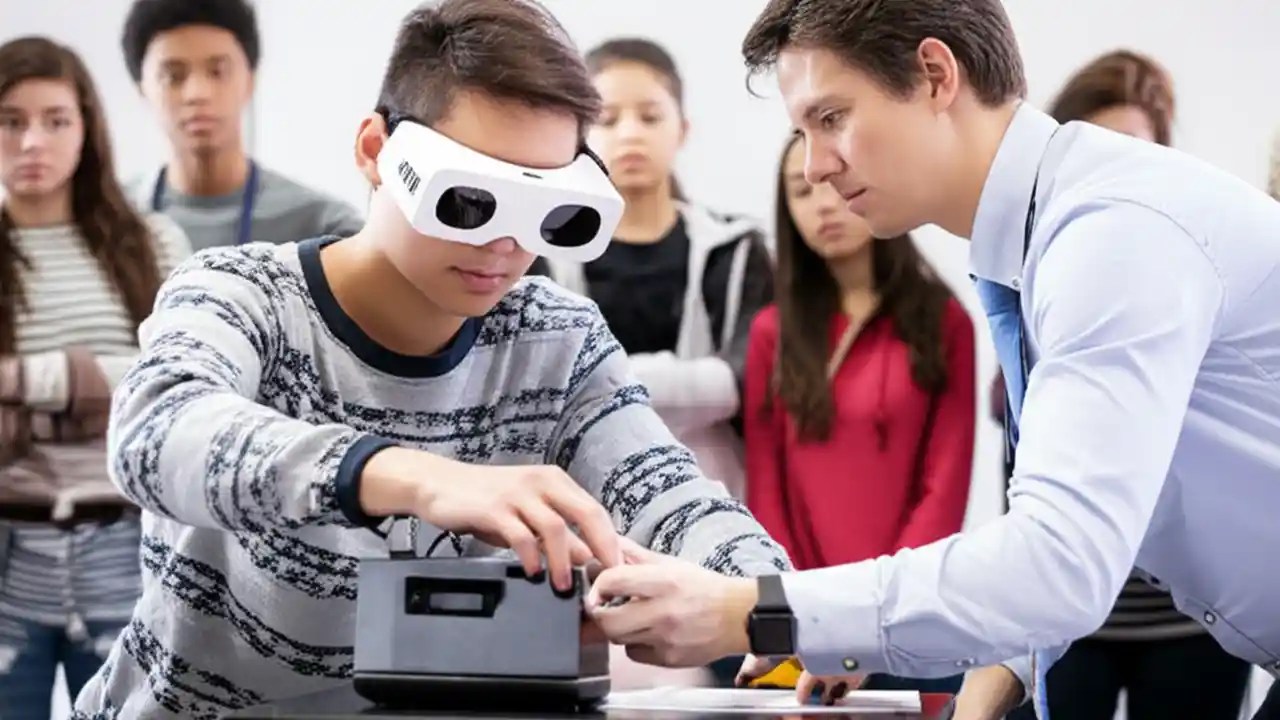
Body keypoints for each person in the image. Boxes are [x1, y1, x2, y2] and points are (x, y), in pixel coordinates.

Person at [71, 1, 789, 718]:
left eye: (543, 210)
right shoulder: (243, 294)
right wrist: (411, 477)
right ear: (375, 151)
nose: (505, 248)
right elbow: (155, 432)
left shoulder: (554, 340)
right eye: (472, 202)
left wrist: (781, 611)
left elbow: (667, 493)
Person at [583, 1, 1280, 719]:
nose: (817, 167)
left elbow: (1062, 562)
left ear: (934, 75)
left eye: (831, 119)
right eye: (804, 132)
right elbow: (1091, 521)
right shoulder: (1056, 235)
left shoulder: (1110, 236)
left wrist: (760, 610)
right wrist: (882, 645)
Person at [1002, 49, 1251, 720]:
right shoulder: (1026, 279)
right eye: (1092, 143)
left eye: (1131, 149)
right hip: (1069, 619)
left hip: (1187, 621)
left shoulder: (1195, 274)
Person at [744, 131, 976, 695]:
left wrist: (878, 615)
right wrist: (806, 609)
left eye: (830, 183)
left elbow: (944, 487)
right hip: (806, 621)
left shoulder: (944, 323)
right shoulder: (771, 333)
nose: (821, 203)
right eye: (800, 191)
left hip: (912, 615)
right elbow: (766, 491)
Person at [0, 36, 190, 720]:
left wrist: (21, 384)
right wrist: (99, 389)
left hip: (126, 545)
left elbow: (174, 385)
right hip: (8, 554)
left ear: (87, 129)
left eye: (55, 119)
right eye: (10, 119)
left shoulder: (153, 241)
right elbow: (130, 382)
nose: (31, 141)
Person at [544, 37, 774, 503]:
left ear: (683, 129)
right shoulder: (543, 251)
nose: (630, 134)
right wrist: (700, 385)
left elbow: (745, 380)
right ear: (580, 135)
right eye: (608, 120)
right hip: (582, 507)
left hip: (715, 501)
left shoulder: (737, 249)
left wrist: (597, 381)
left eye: (650, 117)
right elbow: (543, 387)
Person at [121, 0, 363, 251]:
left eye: (218, 71)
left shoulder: (324, 228)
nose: (197, 93)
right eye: (173, 76)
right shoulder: (106, 222)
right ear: (142, 90)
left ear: (250, 80)